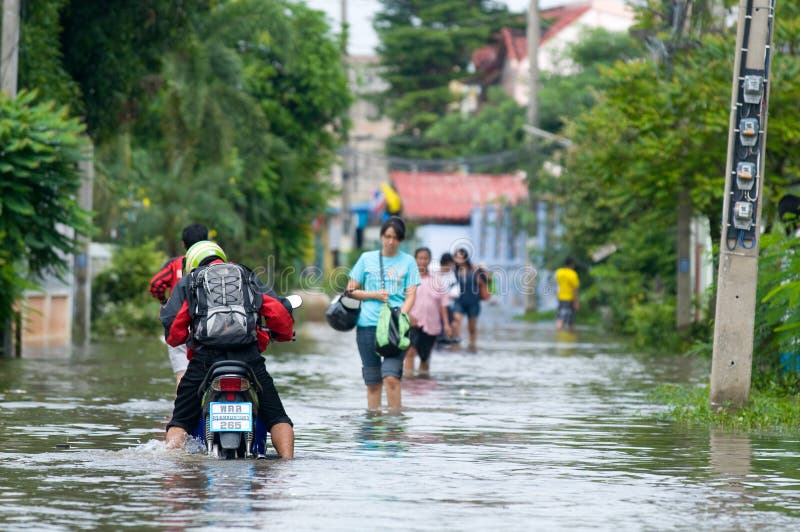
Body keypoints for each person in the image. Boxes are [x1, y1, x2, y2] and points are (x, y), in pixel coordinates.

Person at [160, 240, 296, 458]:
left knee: (180, 421)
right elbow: (278, 312)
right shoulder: (245, 275)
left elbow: (173, 330)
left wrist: (185, 337)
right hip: (248, 359)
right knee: (277, 417)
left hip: (205, 360)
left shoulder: (190, 282)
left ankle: (174, 468)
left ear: (192, 263)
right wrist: (285, 335)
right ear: (221, 257)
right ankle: (288, 465)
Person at [346, 216, 420, 412]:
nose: (390, 241)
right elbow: (350, 290)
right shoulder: (366, 259)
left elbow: (411, 295)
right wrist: (374, 295)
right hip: (367, 326)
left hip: (396, 328)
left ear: (401, 240)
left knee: (391, 378)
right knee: (372, 383)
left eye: (395, 238)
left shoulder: (408, 262)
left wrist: (400, 316)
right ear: (381, 236)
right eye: (387, 236)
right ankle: (373, 430)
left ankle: (395, 430)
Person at [149, 223, 208, 388]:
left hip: (178, 324)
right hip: (207, 323)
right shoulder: (215, 265)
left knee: (182, 373)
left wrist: (165, 302)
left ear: (183, 244)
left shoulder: (176, 264)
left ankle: (181, 411)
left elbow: (156, 284)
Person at [404, 247, 452, 376]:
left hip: (432, 325)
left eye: (425, 258)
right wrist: (407, 315)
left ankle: (423, 383)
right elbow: (400, 300)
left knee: (425, 357)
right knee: (410, 353)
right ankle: (409, 383)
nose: (422, 261)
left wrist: (446, 324)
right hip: (411, 323)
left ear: (429, 260)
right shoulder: (408, 278)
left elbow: (443, 305)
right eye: (420, 258)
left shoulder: (437, 280)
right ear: (415, 260)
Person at [451, 248, 487, 353]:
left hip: (473, 302)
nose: (458, 259)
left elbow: (487, 280)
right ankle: (456, 344)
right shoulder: (453, 271)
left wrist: (483, 275)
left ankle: (472, 345)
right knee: (456, 322)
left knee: (472, 326)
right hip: (459, 301)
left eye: (460, 257)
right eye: (456, 257)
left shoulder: (475, 269)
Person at [436, 252, 459, 347]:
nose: (451, 266)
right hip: (433, 306)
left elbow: (456, 293)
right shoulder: (433, 272)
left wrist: (443, 296)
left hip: (446, 306)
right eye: (451, 264)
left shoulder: (451, 276)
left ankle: (452, 345)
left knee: (454, 324)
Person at [555, 257, 580, 331]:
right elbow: (575, 289)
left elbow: (554, 283)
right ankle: (559, 333)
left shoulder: (559, 272)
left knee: (569, 319)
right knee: (562, 318)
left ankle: (570, 336)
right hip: (569, 298)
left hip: (560, 297)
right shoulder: (573, 274)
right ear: (572, 264)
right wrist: (576, 302)